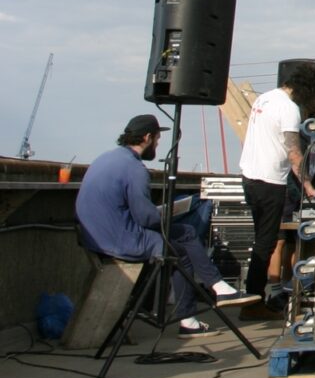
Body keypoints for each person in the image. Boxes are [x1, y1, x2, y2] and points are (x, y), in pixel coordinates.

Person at [77, 114, 259, 337]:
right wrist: (168, 212)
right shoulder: (135, 169)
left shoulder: (106, 159)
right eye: (157, 139)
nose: (158, 143)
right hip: (120, 240)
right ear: (147, 137)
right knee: (186, 238)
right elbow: (146, 219)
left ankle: (198, 310)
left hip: (94, 235)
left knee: (181, 246)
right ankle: (214, 292)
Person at [238, 63, 315, 317]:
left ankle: (255, 298)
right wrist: (308, 186)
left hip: (250, 177)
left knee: (263, 241)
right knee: (266, 244)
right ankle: (253, 304)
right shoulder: (289, 109)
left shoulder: (265, 98)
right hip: (270, 182)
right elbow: (294, 153)